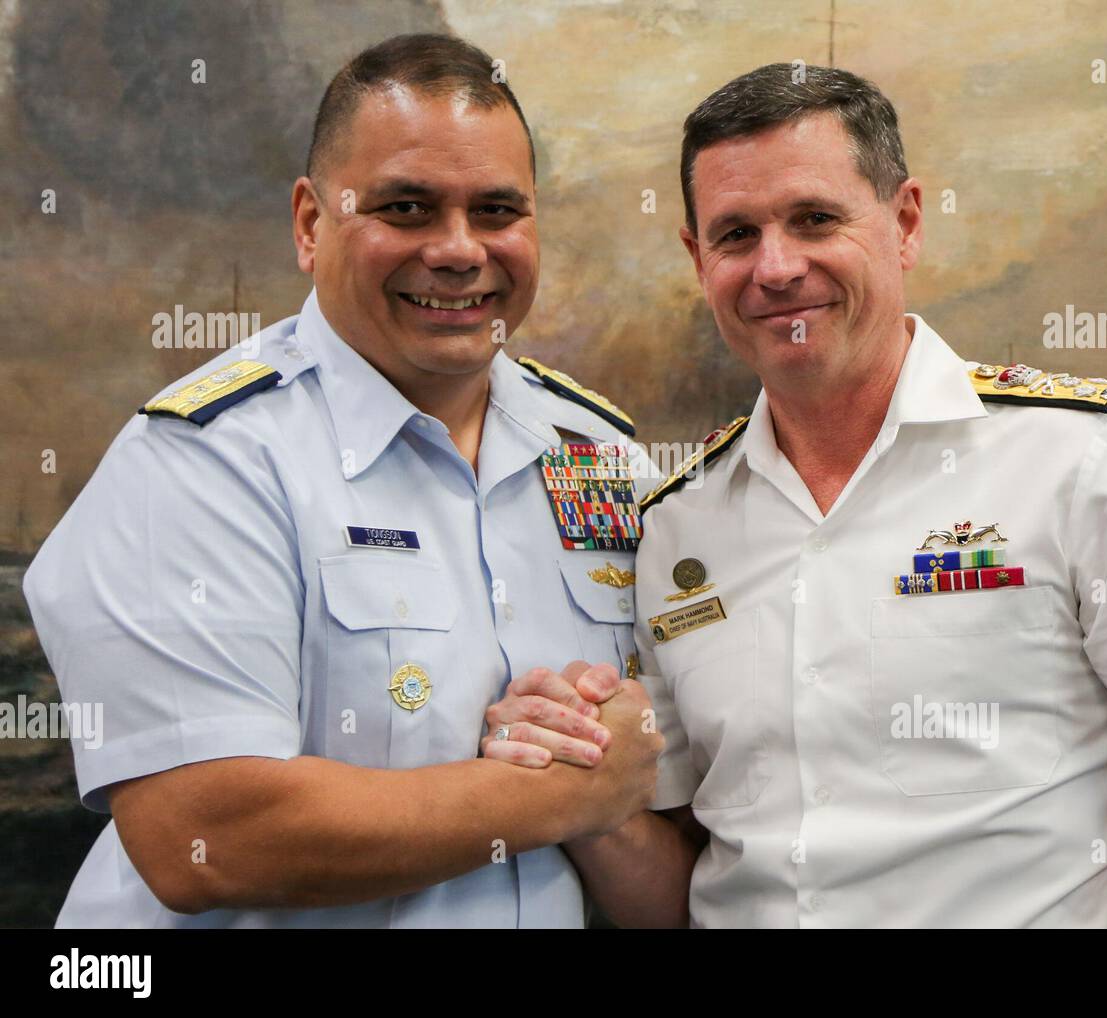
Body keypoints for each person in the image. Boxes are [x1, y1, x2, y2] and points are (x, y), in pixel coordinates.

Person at [488, 63, 1107, 928]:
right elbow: (682, 882)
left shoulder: (1081, 459)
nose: (776, 267)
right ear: (698, 259)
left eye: (815, 219)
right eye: (735, 234)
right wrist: (574, 785)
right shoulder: (678, 526)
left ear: (904, 222)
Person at [22, 33, 666, 929]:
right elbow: (206, 837)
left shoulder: (598, 453)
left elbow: (663, 847)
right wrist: (576, 794)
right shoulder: (205, 462)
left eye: (496, 211)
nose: (457, 250)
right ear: (310, 223)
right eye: (405, 208)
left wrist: (605, 798)